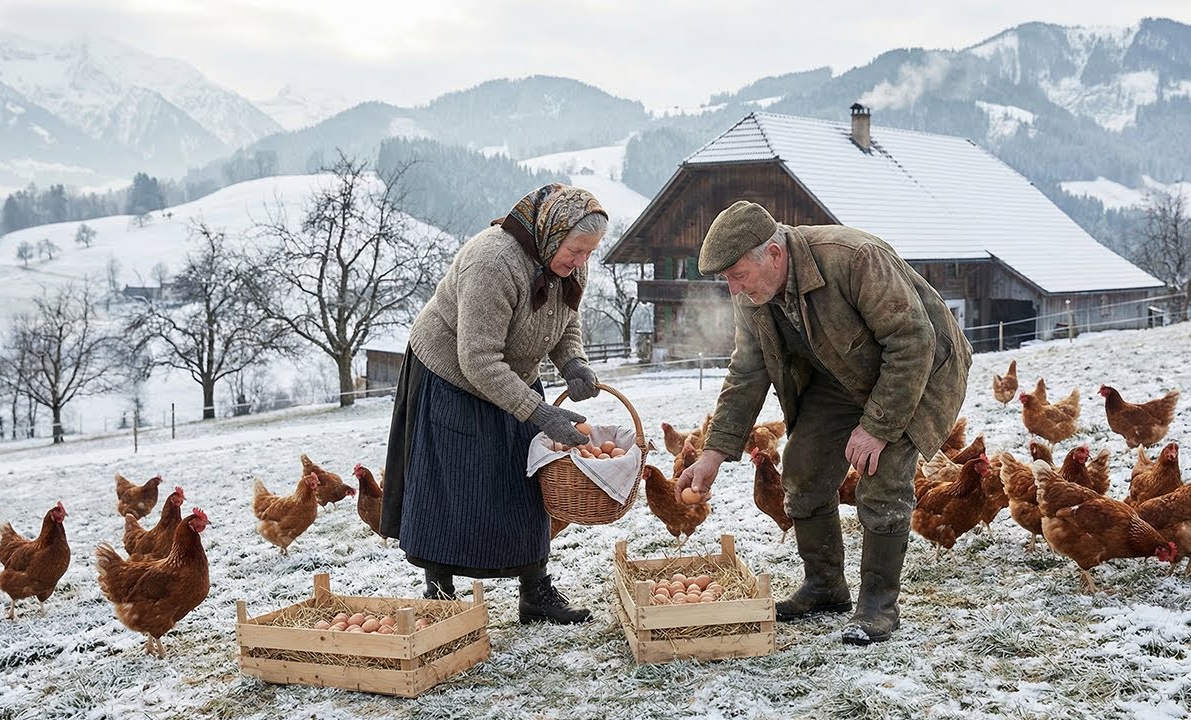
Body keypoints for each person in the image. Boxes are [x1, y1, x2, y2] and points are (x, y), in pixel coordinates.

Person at [676, 200, 971, 644]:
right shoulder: (753, 295)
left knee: (881, 474)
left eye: (737, 275)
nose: (733, 289)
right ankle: (825, 587)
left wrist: (876, 427)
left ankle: (878, 605)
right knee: (802, 467)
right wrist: (712, 455)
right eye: (727, 280)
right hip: (843, 374)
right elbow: (747, 371)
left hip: (919, 369)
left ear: (773, 255)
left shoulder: (853, 258)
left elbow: (912, 340)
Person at [380, 183, 607, 625]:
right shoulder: (493, 262)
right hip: (453, 374)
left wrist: (574, 364)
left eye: (589, 253)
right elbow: (479, 359)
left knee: (525, 481)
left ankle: (535, 593)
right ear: (550, 233)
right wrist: (539, 413)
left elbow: (564, 321)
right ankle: (440, 593)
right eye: (576, 251)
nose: (581, 262)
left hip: (514, 372)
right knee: (452, 486)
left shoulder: (570, 264)